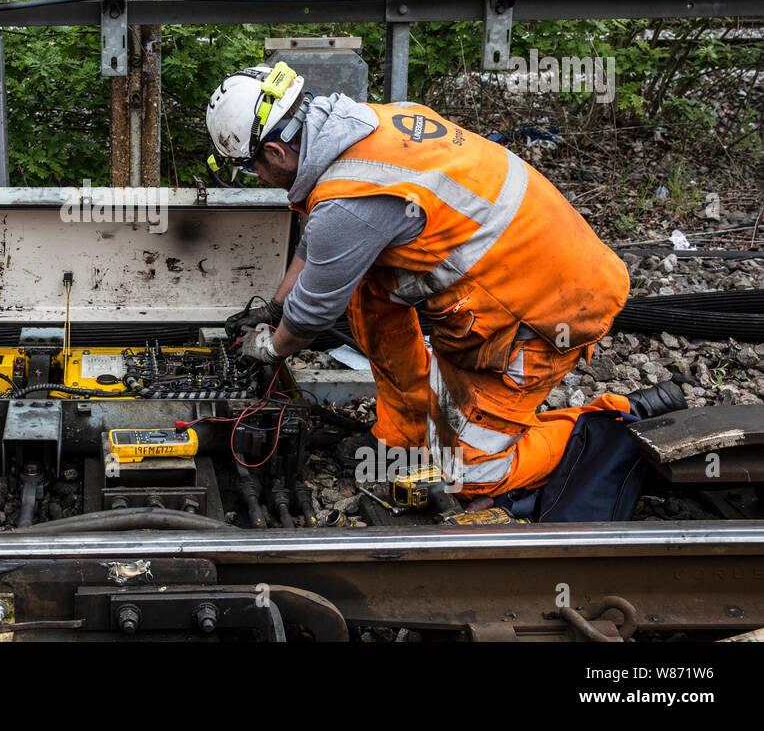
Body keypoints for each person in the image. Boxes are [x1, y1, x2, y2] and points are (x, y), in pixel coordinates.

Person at [208, 62, 678, 509]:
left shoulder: (351, 202)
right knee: (367, 286)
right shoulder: (366, 128)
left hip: (550, 310)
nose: (260, 178)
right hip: (522, 276)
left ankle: (621, 419)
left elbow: (311, 316)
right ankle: (403, 436)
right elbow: (318, 245)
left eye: (252, 169)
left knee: (466, 476)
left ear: (274, 152)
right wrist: (273, 307)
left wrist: (271, 348)